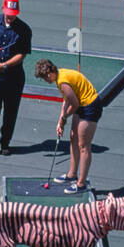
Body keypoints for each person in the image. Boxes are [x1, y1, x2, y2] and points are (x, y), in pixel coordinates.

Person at [35, 58, 101, 194]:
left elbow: (74, 104)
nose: (45, 81)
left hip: (90, 106)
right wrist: (60, 121)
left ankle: (81, 184)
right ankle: (72, 174)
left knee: (84, 146)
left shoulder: (62, 81)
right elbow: (66, 101)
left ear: (49, 74)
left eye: (44, 78)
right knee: (73, 138)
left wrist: (64, 118)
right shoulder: (60, 77)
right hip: (81, 104)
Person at [0, 0, 32, 159]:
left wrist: (4, 66)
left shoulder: (24, 29)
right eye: (8, 13)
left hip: (14, 78)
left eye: (13, 14)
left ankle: (5, 143)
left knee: (10, 112)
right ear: (3, 9)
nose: (10, 16)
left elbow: (21, 55)